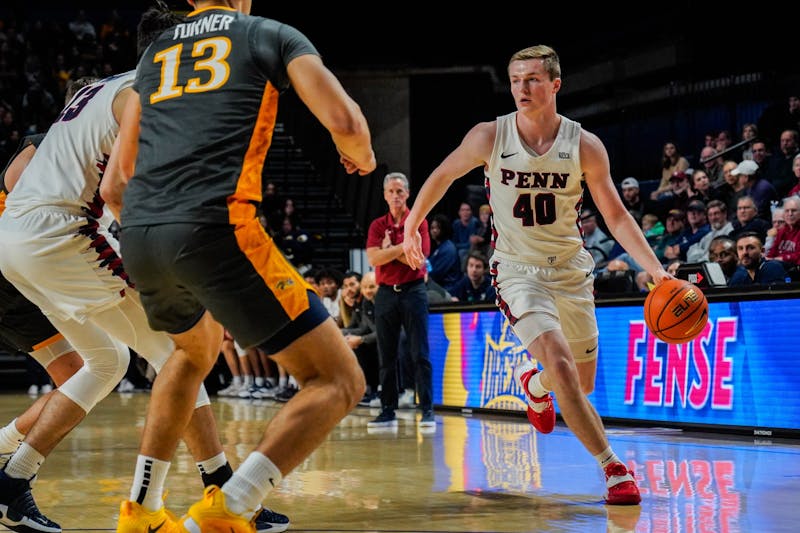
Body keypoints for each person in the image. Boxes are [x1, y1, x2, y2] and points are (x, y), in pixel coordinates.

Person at [0, 8, 291, 533]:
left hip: (18, 240)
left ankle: (11, 479)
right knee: (184, 349)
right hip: (59, 237)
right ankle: (205, 497)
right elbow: (118, 189)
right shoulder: (145, 89)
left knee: (108, 361)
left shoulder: (107, 87)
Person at [101, 0, 375, 529]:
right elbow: (345, 120)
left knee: (191, 353)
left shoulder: (156, 52)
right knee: (339, 379)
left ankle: (140, 511)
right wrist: (361, 157)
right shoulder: (266, 33)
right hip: (214, 227)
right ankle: (228, 509)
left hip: (139, 234)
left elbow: (117, 181)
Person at [400, 45, 673, 505]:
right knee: (562, 363)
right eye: (515, 80)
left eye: (532, 80)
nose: (522, 89)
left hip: (571, 271)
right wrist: (412, 224)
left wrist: (658, 271)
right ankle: (613, 469)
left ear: (555, 85)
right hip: (517, 271)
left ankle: (534, 384)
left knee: (579, 384)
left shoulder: (584, 145)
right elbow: (443, 175)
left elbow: (618, 216)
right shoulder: (491, 136)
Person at [365, 172, 435, 430]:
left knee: (420, 352)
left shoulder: (418, 222)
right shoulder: (377, 225)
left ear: (407, 194)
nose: (395, 196)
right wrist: (403, 248)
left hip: (413, 290)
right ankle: (387, 410)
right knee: (387, 354)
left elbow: (420, 259)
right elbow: (373, 260)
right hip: (385, 292)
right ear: (384, 195)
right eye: (391, 191)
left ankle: (427, 409)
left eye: (400, 191)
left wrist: (387, 251)